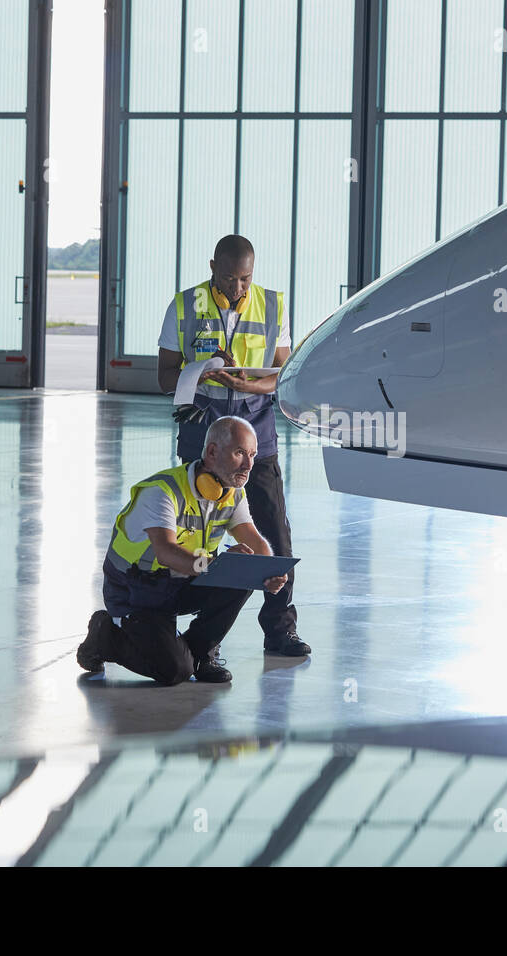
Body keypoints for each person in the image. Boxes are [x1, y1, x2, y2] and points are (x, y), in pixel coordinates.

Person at [155, 234, 309, 658]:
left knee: (274, 532)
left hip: (255, 431)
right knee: (197, 535)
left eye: (246, 278)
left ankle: (280, 629)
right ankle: (206, 640)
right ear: (211, 268)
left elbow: (283, 374)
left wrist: (248, 385)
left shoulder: (273, 305)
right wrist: (198, 375)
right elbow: (165, 378)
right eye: (229, 278)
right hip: (203, 432)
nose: (238, 287)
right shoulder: (184, 307)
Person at [77, 417, 288, 685]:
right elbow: (165, 552)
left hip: (179, 584)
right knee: (174, 671)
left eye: (252, 455)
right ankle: (105, 636)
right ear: (212, 452)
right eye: (239, 453)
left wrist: (267, 571)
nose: (248, 465)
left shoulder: (232, 494)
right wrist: (216, 565)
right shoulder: (162, 492)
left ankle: (200, 654)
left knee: (242, 571)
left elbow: (256, 541)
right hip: (136, 591)